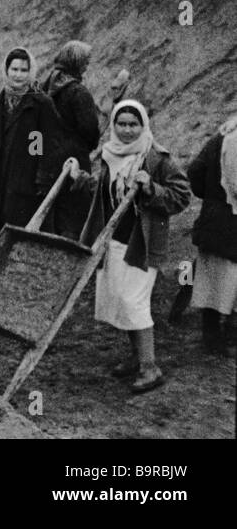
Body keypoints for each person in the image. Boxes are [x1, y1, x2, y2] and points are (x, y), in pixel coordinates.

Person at [69, 100, 190, 393]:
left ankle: (151, 368)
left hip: (143, 243)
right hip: (113, 241)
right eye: (121, 124)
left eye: (132, 124)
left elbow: (182, 196)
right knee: (120, 301)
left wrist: (151, 187)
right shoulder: (110, 154)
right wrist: (77, 176)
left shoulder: (157, 159)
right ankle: (137, 357)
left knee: (133, 302)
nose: (126, 130)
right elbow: (101, 190)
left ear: (143, 126)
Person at [0, 47, 66, 248]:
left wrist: (40, 179)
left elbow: (42, 145)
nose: (18, 75)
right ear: (6, 70)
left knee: (17, 240)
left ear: (30, 72)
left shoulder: (39, 104)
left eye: (23, 70)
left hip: (22, 183)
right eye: (14, 69)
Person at [185, 113, 237, 358]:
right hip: (225, 219)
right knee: (223, 274)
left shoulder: (222, 136)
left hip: (217, 215)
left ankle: (213, 333)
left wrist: (212, 197)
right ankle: (223, 332)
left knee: (215, 277)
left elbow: (195, 171)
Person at [40, 40, 102, 238]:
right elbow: (90, 128)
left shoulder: (47, 85)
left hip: (47, 158)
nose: (87, 66)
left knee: (53, 212)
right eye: (85, 61)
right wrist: (87, 146)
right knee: (75, 212)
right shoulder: (78, 92)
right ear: (76, 62)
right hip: (74, 158)